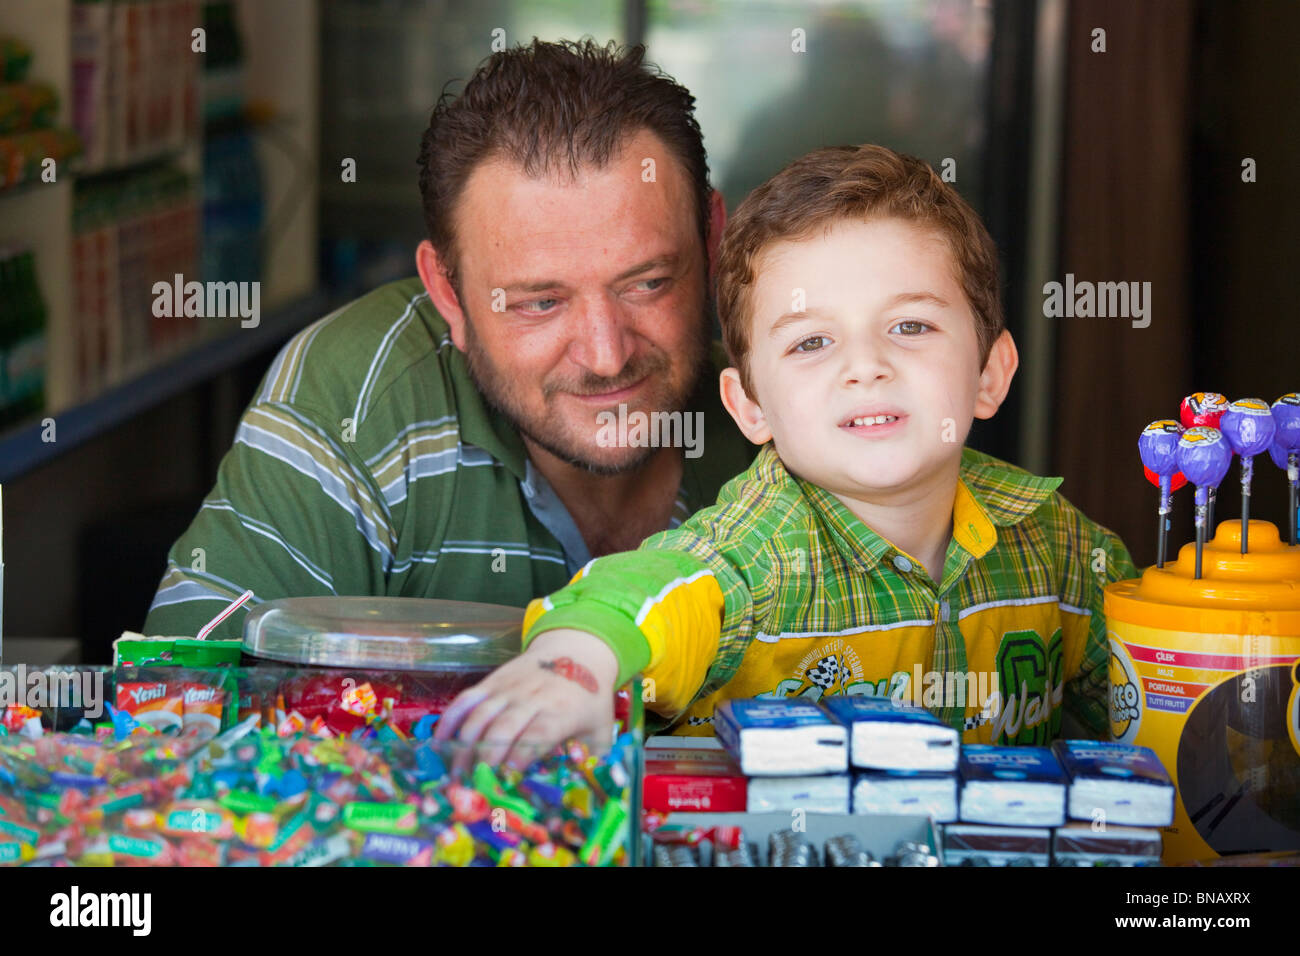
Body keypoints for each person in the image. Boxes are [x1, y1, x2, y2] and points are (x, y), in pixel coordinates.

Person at [436, 144, 1138, 764]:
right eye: (811, 342)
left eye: (910, 325)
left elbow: (1146, 721)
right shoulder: (756, 557)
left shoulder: (1065, 549)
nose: (865, 366)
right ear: (751, 408)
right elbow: (647, 591)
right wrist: (577, 665)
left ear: (990, 373)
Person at [142, 39, 755, 639]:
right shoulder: (354, 399)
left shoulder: (799, 374)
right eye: (540, 303)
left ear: (710, 242)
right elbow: (182, 688)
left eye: (647, 283)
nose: (606, 354)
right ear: (448, 294)